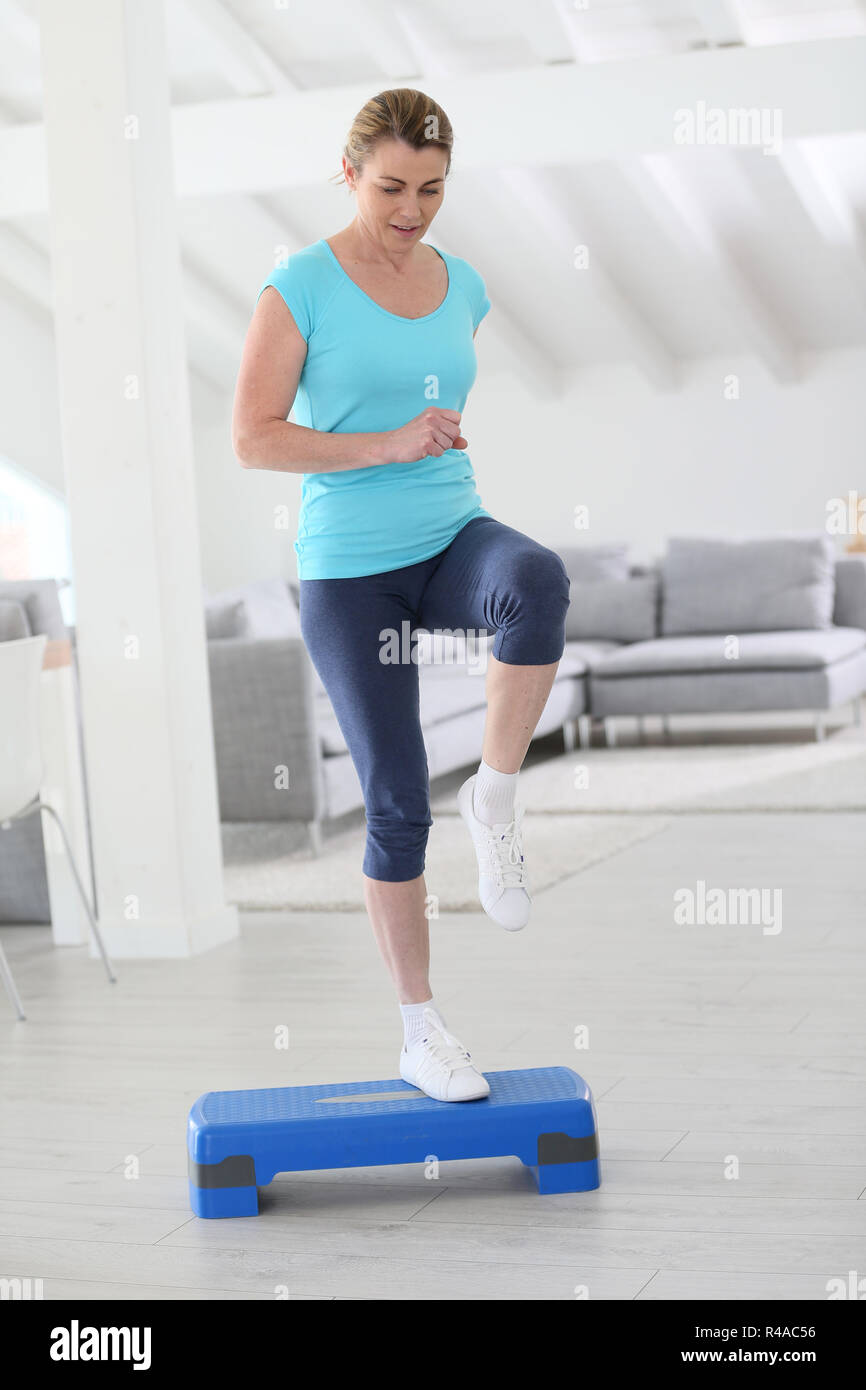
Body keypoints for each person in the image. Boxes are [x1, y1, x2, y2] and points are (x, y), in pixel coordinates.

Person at [232, 88, 570, 1102]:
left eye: (429, 189)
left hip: (450, 534)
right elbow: (253, 436)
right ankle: (421, 1031)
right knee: (393, 798)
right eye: (390, 188)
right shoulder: (299, 285)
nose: (410, 210)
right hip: (349, 570)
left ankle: (497, 796)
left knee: (536, 581)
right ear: (348, 176)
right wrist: (380, 443)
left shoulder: (461, 284)